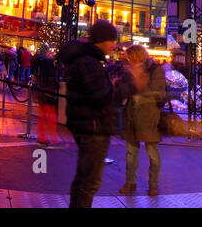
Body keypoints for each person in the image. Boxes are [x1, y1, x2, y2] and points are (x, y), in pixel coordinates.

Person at [59, 20, 130, 208]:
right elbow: (104, 98)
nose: (114, 45)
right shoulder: (89, 63)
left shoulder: (85, 60)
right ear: (101, 40)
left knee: (84, 179)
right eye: (111, 40)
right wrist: (124, 87)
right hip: (94, 127)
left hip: (86, 124)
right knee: (89, 182)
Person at [118, 44, 167, 196]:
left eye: (131, 58)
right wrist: (120, 85)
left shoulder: (154, 70)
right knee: (131, 153)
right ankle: (130, 182)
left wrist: (138, 83)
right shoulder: (128, 72)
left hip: (148, 116)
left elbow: (158, 93)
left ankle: (154, 184)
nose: (129, 61)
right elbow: (124, 91)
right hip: (131, 116)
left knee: (152, 152)